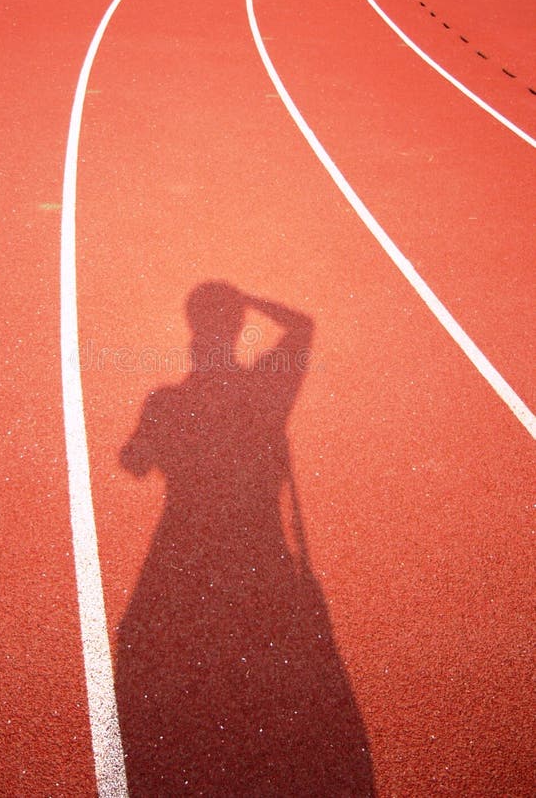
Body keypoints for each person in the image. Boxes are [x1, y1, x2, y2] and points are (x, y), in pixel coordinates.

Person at [116, 281, 374, 796]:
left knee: (149, 645)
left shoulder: (167, 402)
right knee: (261, 651)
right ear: (235, 332)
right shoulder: (267, 389)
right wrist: (248, 300)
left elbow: (134, 463)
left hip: (183, 546)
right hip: (259, 545)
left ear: (193, 337)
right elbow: (303, 325)